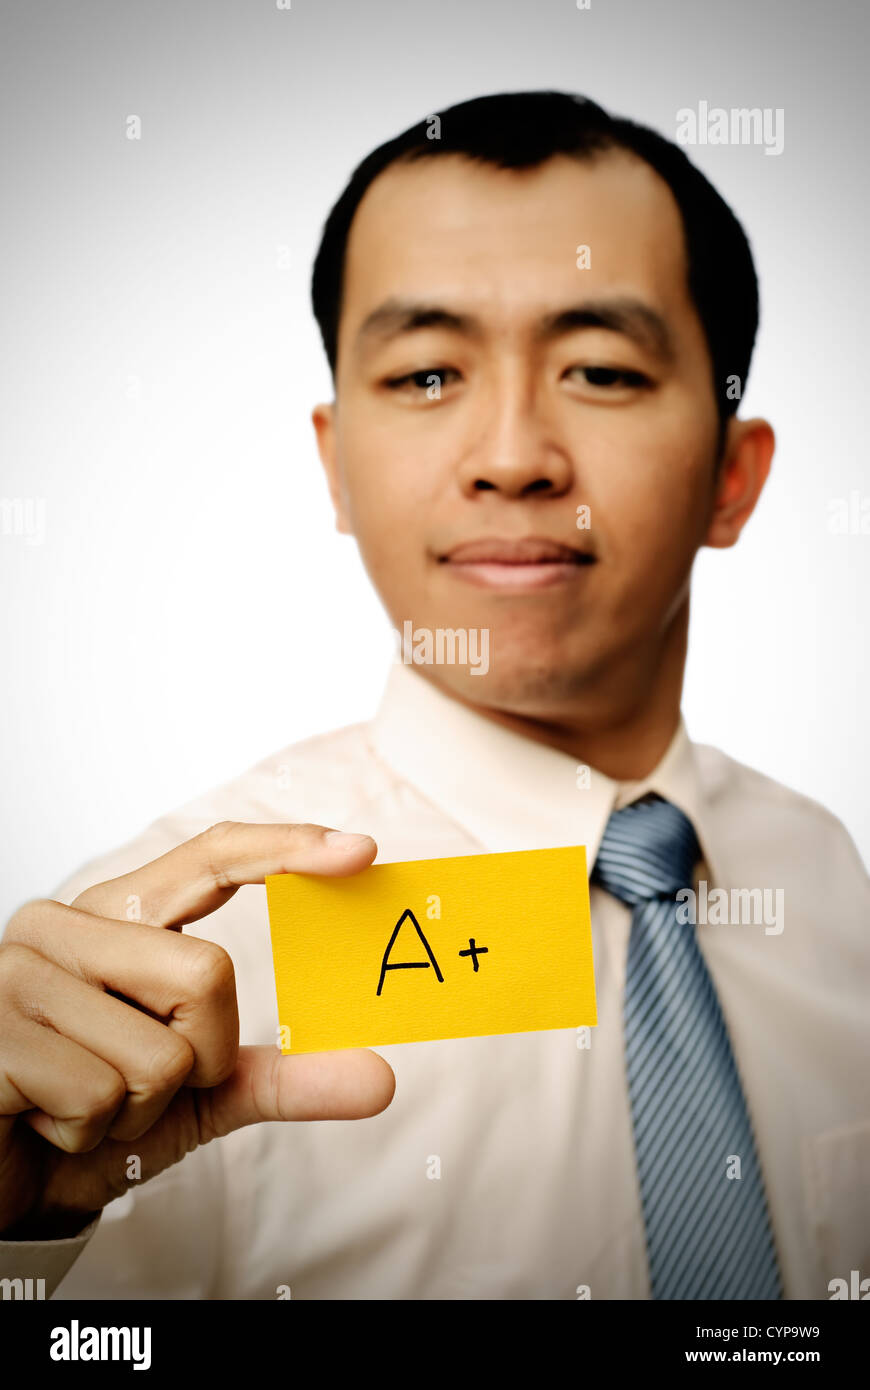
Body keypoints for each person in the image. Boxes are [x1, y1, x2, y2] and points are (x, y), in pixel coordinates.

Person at [1, 91, 867, 1301]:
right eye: (423, 375)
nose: (512, 456)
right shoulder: (153, 983)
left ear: (734, 476)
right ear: (334, 461)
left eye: (604, 369)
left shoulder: (828, 881)